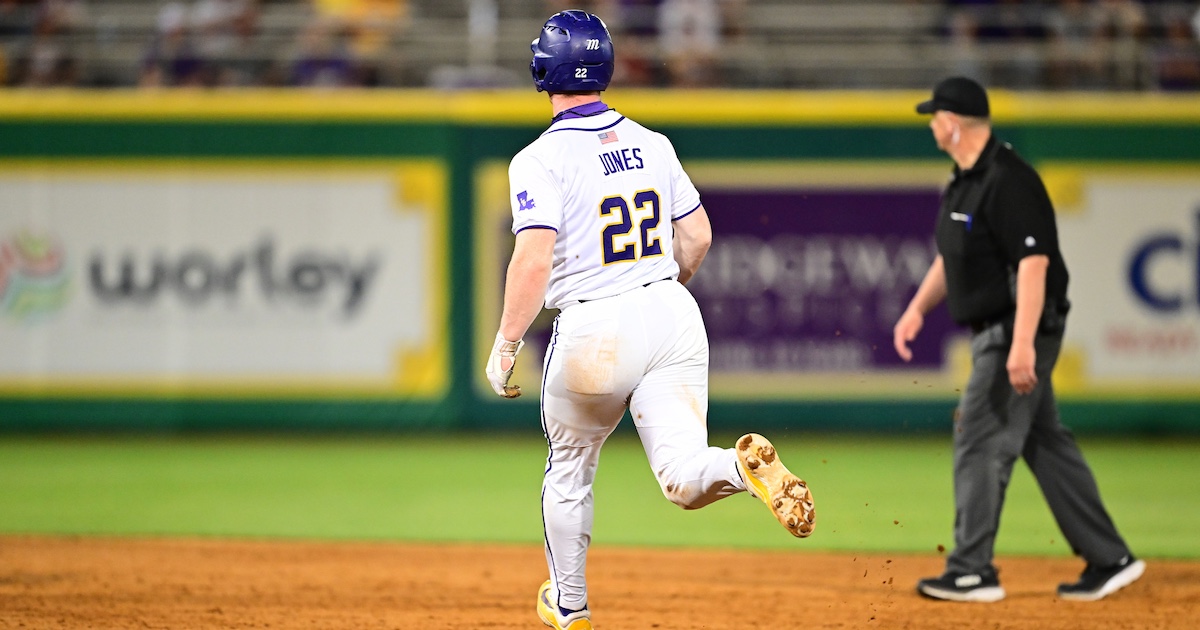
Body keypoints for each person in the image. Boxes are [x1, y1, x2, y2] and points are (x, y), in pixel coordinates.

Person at [484, 10, 814, 629]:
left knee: (571, 471)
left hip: (592, 328)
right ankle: (740, 469)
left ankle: (572, 606)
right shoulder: (653, 143)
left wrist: (505, 343)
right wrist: (661, 291)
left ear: (544, 69)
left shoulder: (538, 158)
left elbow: (532, 258)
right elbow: (697, 235)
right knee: (685, 477)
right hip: (671, 312)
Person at [893, 76, 1144, 603]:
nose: (932, 124)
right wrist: (918, 308)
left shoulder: (1009, 180)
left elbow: (1034, 264)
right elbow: (953, 258)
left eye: (935, 116)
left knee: (980, 435)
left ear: (953, 123)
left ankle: (971, 569)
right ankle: (1109, 557)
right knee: (1044, 441)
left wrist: (1023, 344)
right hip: (1001, 330)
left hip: (1015, 329)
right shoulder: (964, 180)